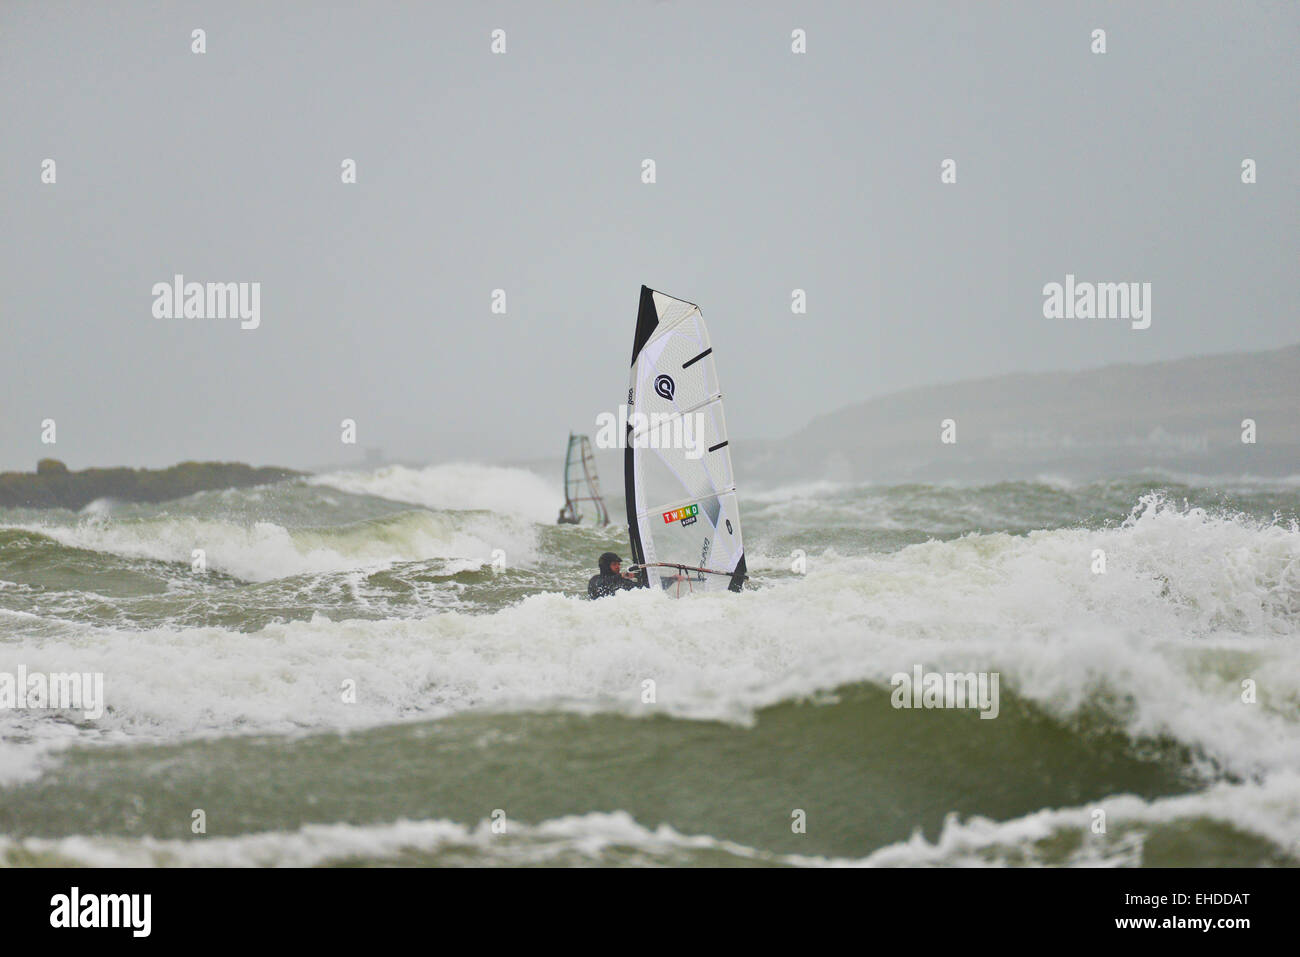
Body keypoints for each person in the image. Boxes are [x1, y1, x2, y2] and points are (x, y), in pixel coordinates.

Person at [587, 552, 685, 599]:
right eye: (614, 564)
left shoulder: (622, 582)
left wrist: (672, 579)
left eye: (618, 564)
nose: (618, 567)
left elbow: (648, 587)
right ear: (605, 566)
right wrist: (621, 576)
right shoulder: (595, 580)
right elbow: (601, 584)